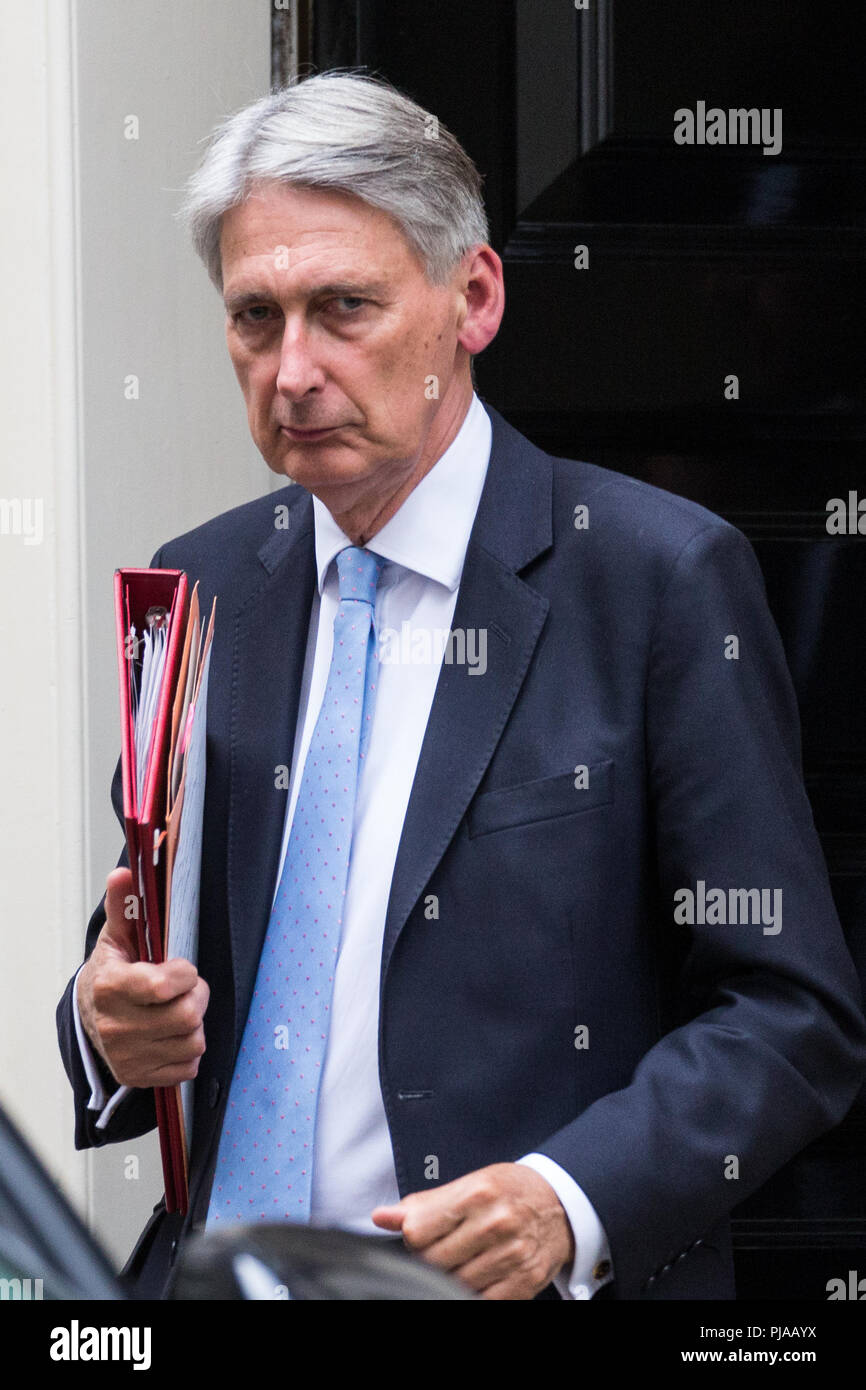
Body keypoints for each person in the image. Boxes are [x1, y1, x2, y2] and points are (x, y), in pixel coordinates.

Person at [57, 71, 866, 1301]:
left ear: (472, 298)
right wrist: (105, 1021)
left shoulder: (652, 579)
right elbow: (141, 945)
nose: (292, 369)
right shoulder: (203, 584)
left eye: (344, 307)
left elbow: (789, 1013)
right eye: (255, 317)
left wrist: (566, 1199)